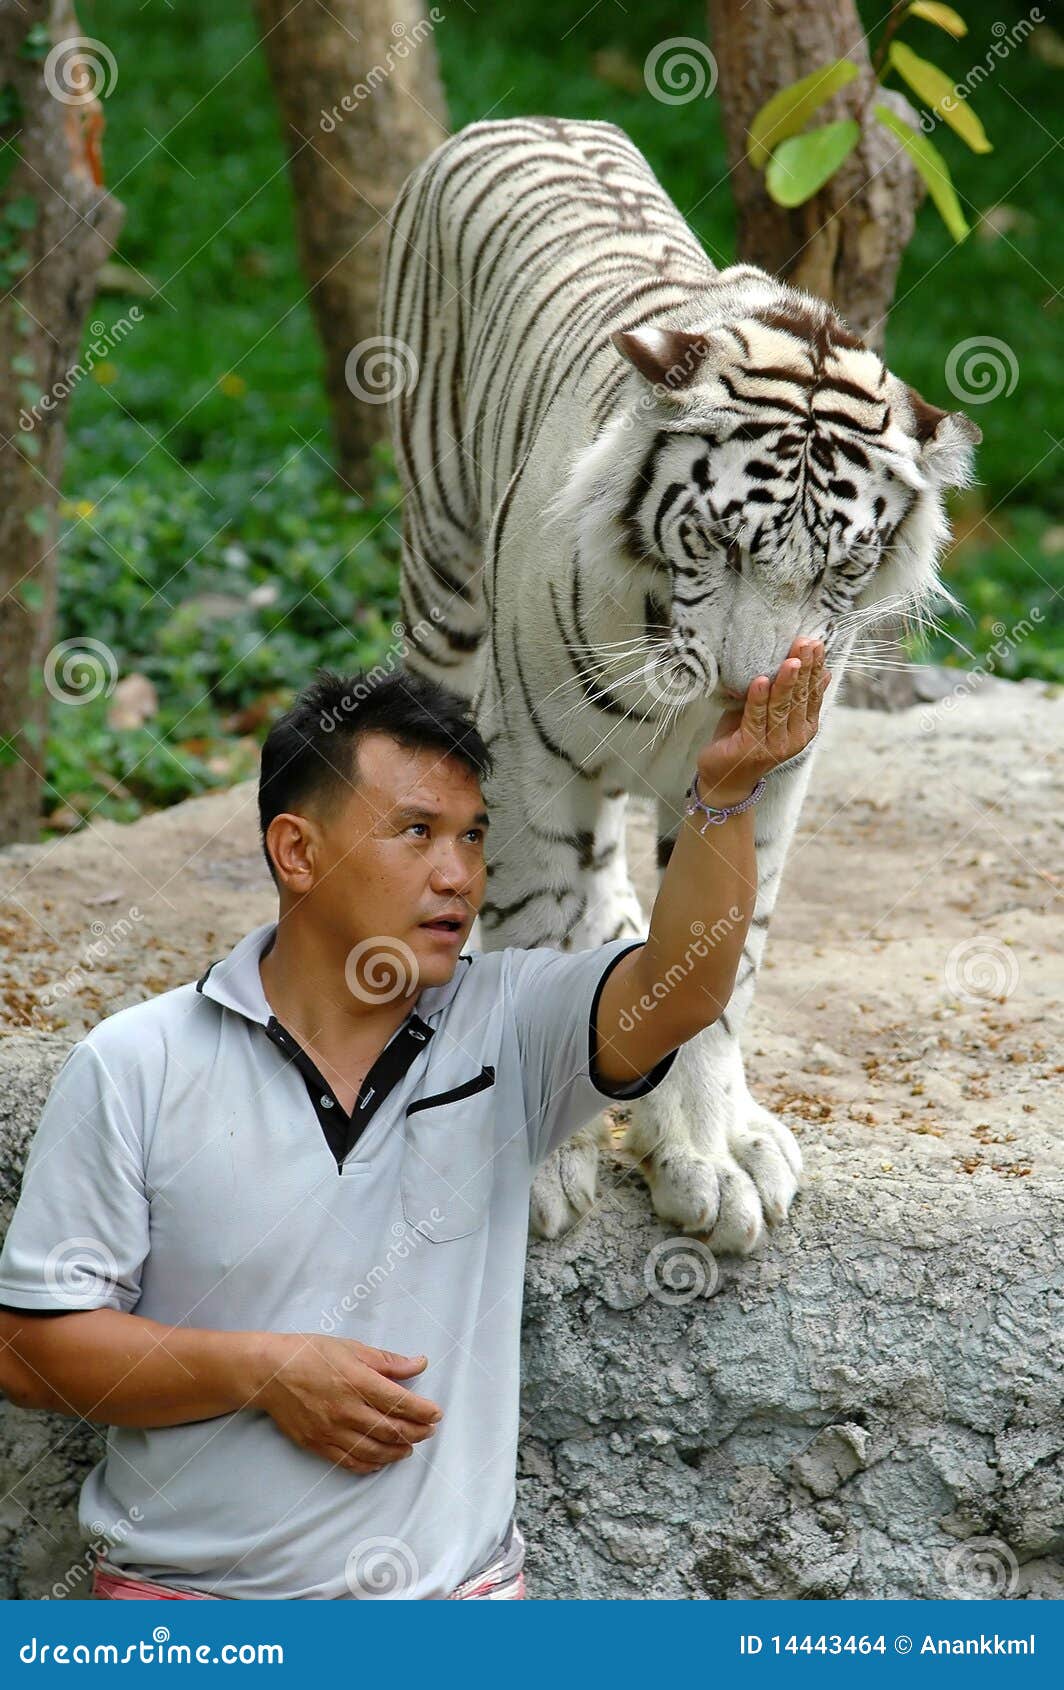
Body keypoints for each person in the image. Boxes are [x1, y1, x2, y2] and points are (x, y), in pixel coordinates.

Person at [0, 640, 828, 1600]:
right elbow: (30, 1351)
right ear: (296, 851)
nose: (458, 875)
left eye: (474, 837)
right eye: (418, 832)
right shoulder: (136, 1063)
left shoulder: (511, 1023)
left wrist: (724, 796)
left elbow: (680, 990)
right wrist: (266, 1374)